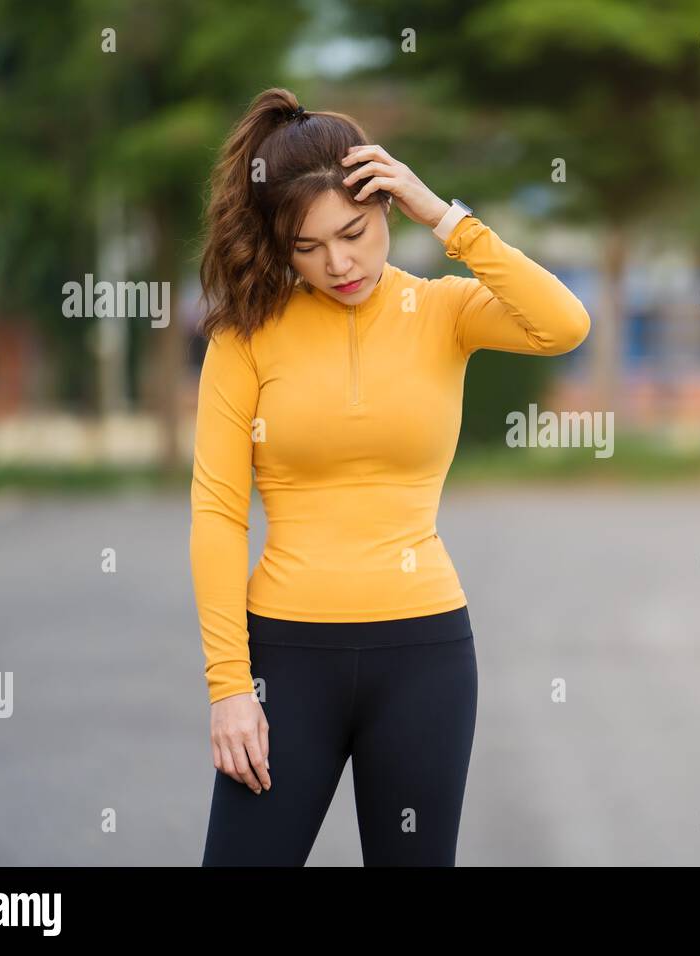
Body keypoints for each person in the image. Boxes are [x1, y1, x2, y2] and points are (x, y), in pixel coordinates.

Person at [191, 88, 590, 866]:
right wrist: (229, 686)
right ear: (278, 246)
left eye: (355, 231)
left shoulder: (443, 312)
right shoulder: (244, 335)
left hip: (425, 656)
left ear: (385, 208)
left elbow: (564, 323)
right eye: (307, 247)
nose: (339, 263)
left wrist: (444, 216)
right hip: (284, 660)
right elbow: (217, 512)